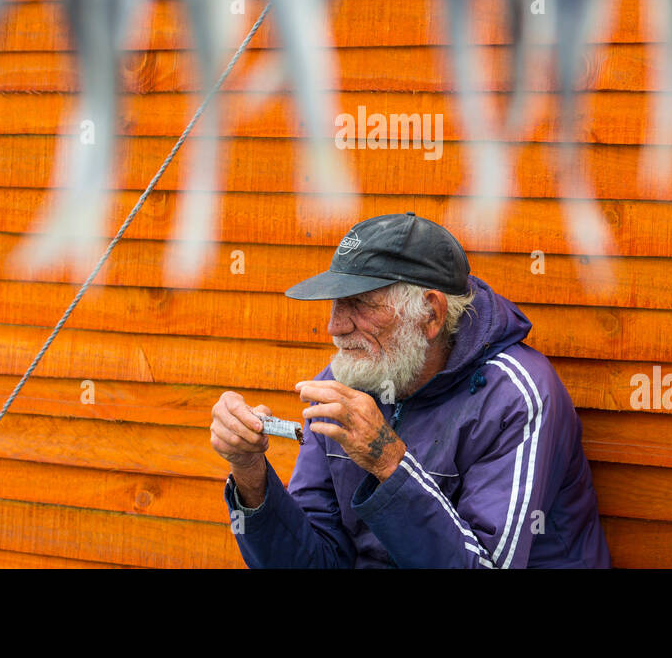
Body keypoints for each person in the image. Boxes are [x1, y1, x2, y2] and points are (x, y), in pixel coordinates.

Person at [209, 212, 611, 568]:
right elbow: (317, 558)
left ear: (431, 314)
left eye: (361, 304)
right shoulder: (345, 380)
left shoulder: (516, 395)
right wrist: (249, 474)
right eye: (335, 304)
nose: (335, 326)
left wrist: (389, 463)